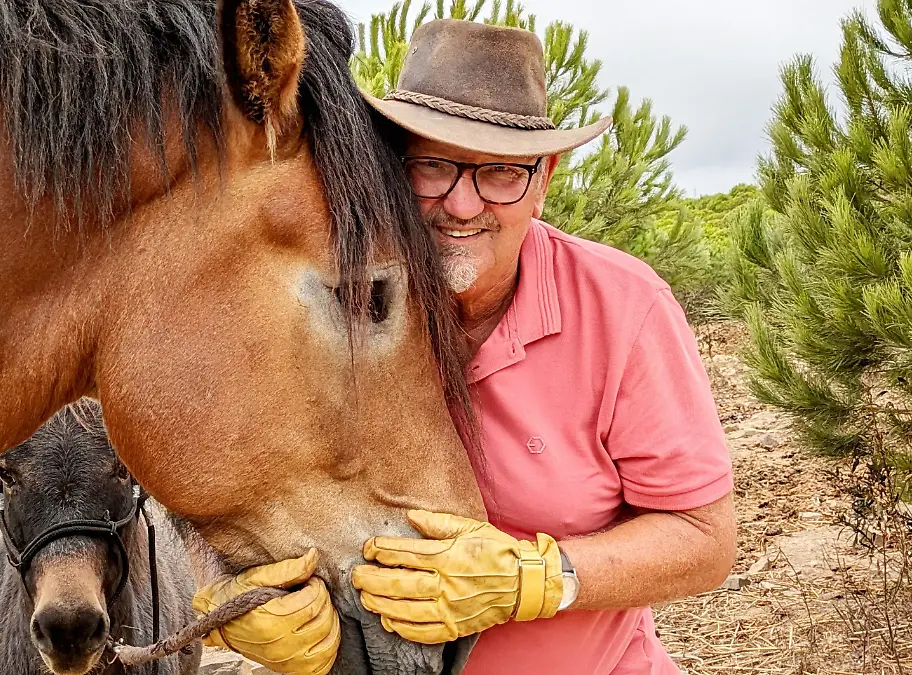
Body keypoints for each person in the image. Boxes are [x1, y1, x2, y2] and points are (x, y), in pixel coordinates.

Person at [191, 19, 736, 675]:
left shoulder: (623, 307)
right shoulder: (319, 305)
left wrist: (533, 578)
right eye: (434, 164)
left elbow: (704, 538)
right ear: (393, 164)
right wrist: (230, 607)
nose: (461, 202)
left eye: (500, 172)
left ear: (545, 179)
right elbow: (227, 496)